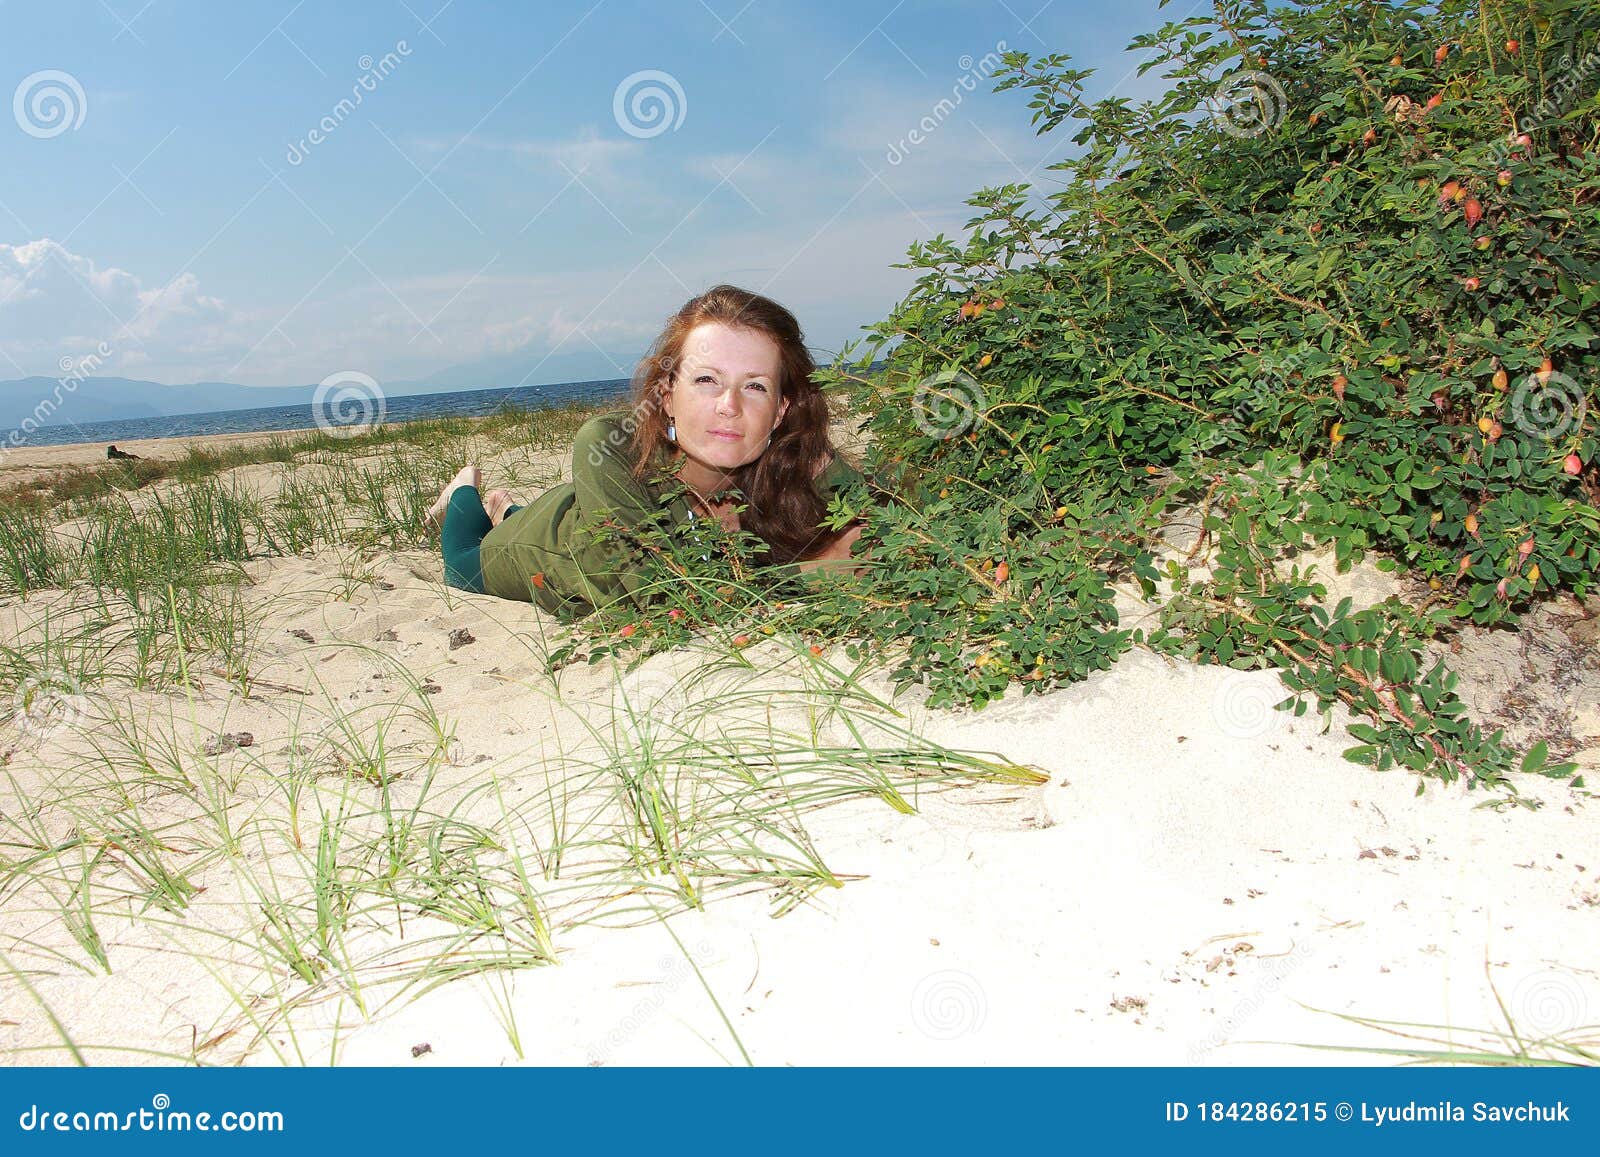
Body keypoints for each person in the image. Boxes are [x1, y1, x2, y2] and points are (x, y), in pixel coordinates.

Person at [425, 284, 869, 618]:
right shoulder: (607, 442)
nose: (729, 406)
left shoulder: (791, 464)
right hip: (532, 548)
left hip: (593, 512)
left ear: (779, 410)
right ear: (668, 395)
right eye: (706, 380)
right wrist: (813, 572)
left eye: (755, 386)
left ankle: (507, 506)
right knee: (462, 560)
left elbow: (900, 534)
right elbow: (662, 596)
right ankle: (464, 490)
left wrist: (825, 466)